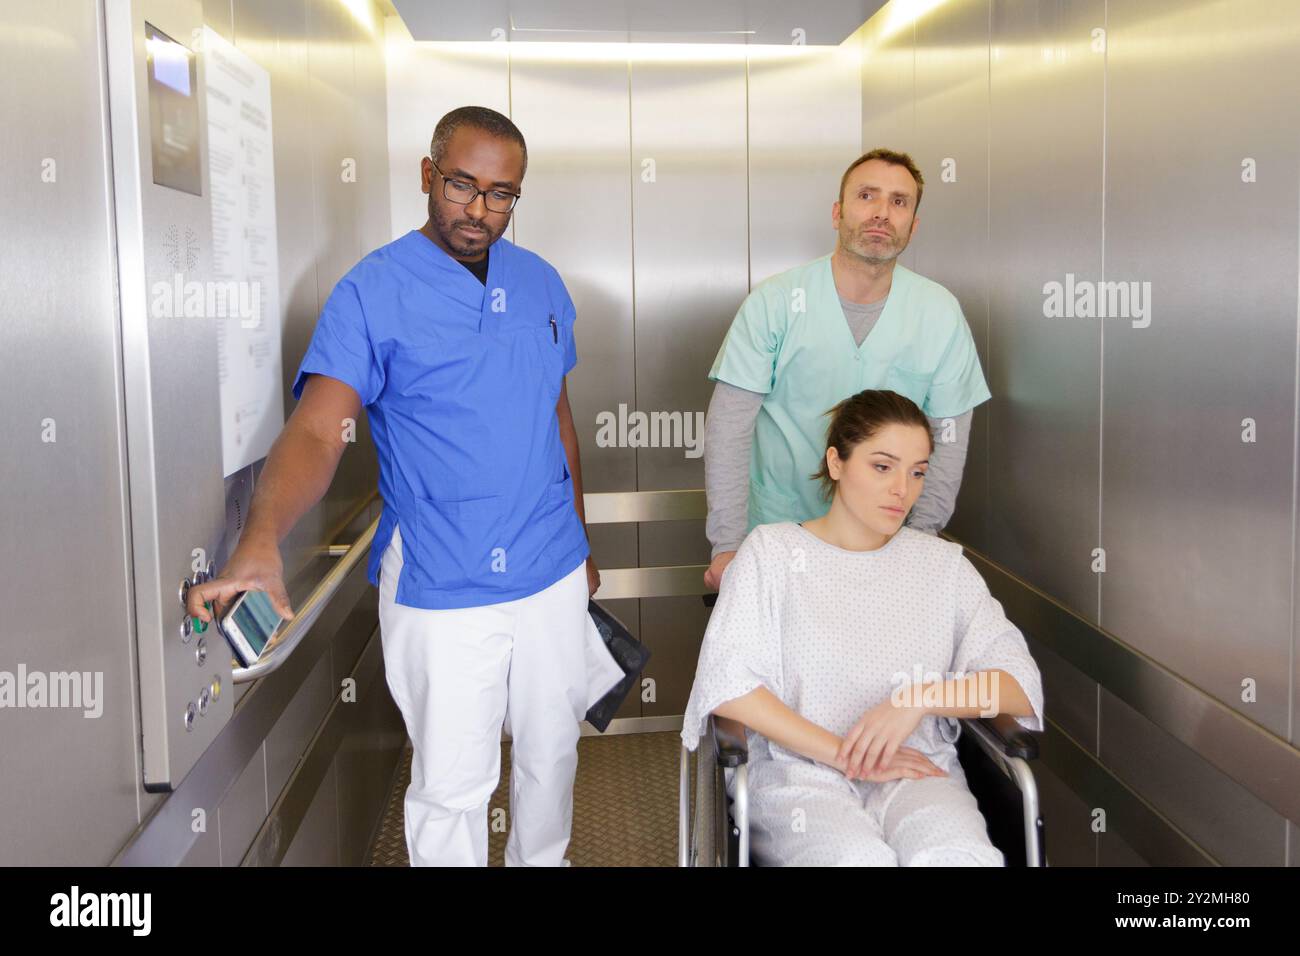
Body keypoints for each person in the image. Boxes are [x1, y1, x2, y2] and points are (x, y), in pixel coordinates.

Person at [187, 105, 622, 867]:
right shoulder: (373, 291)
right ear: (428, 175)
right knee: (454, 787)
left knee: (552, 760)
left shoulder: (541, 283)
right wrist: (260, 542)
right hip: (442, 581)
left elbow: (557, 416)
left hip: (550, 569)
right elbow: (322, 428)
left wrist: (579, 541)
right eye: (462, 184)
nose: (479, 210)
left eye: (501, 194)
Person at [681, 390, 1044, 866]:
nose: (903, 490)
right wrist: (840, 752)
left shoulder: (942, 566)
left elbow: (1018, 686)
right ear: (836, 462)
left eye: (917, 472)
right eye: (882, 466)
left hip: (916, 770)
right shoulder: (770, 555)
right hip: (800, 776)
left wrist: (917, 700)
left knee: (957, 858)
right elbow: (729, 688)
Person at [703, 148, 990, 591]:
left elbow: (948, 440)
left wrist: (919, 539)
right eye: (867, 196)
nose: (881, 213)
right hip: (780, 537)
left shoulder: (939, 314)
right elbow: (729, 427)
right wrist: (727, 545)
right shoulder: (776, 303)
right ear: (838, 213)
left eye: (899, 202)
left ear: (913, 225)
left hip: (887, 547)